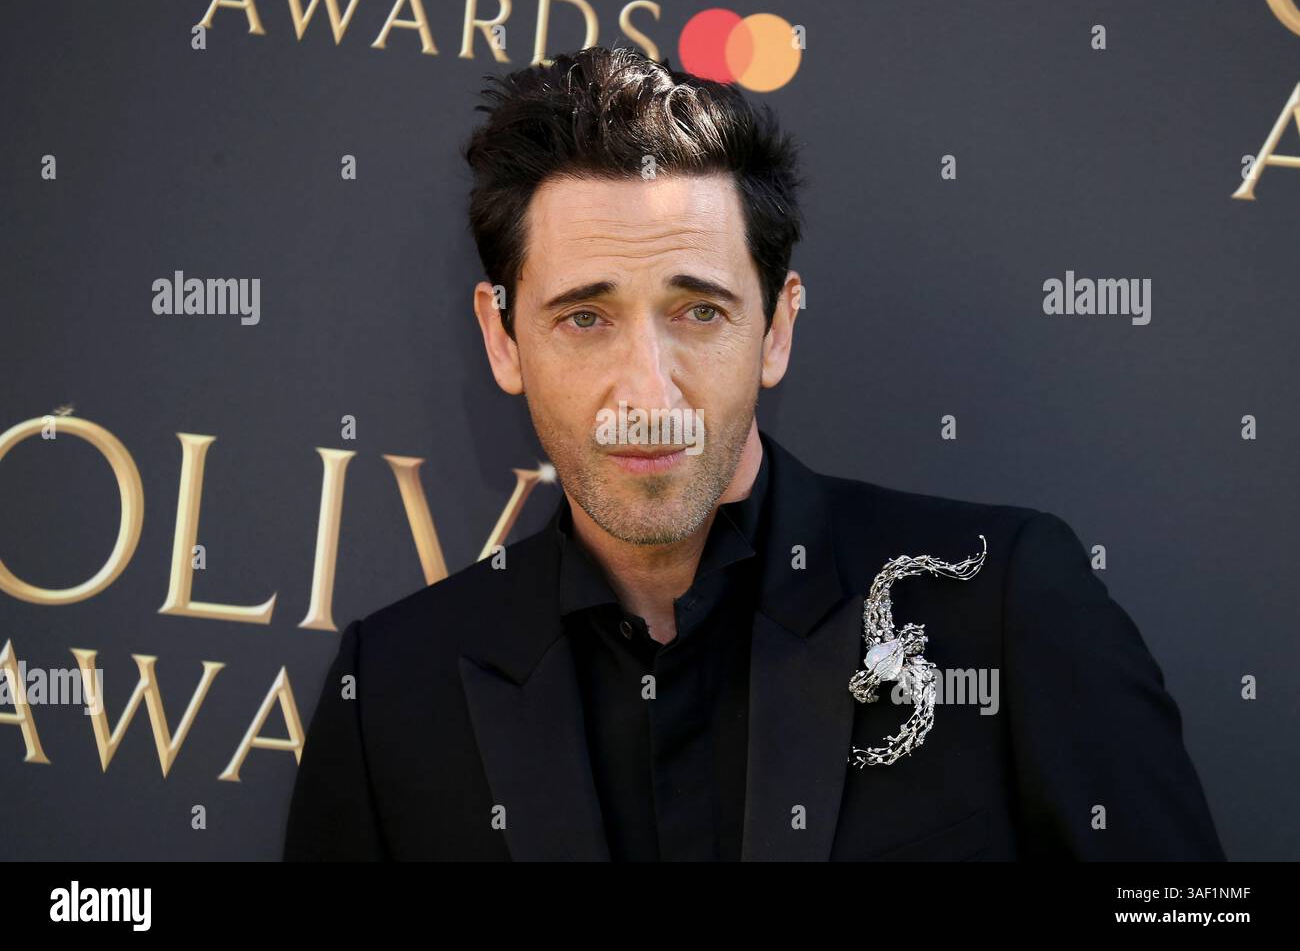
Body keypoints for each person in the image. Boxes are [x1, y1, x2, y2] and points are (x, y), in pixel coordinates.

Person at [283, 46, 1224, 861]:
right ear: (502, 339)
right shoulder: (394, 693)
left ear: (777, 329)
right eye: (584, 317)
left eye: (700, 312)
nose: (647, 393)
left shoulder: (1000, 604)